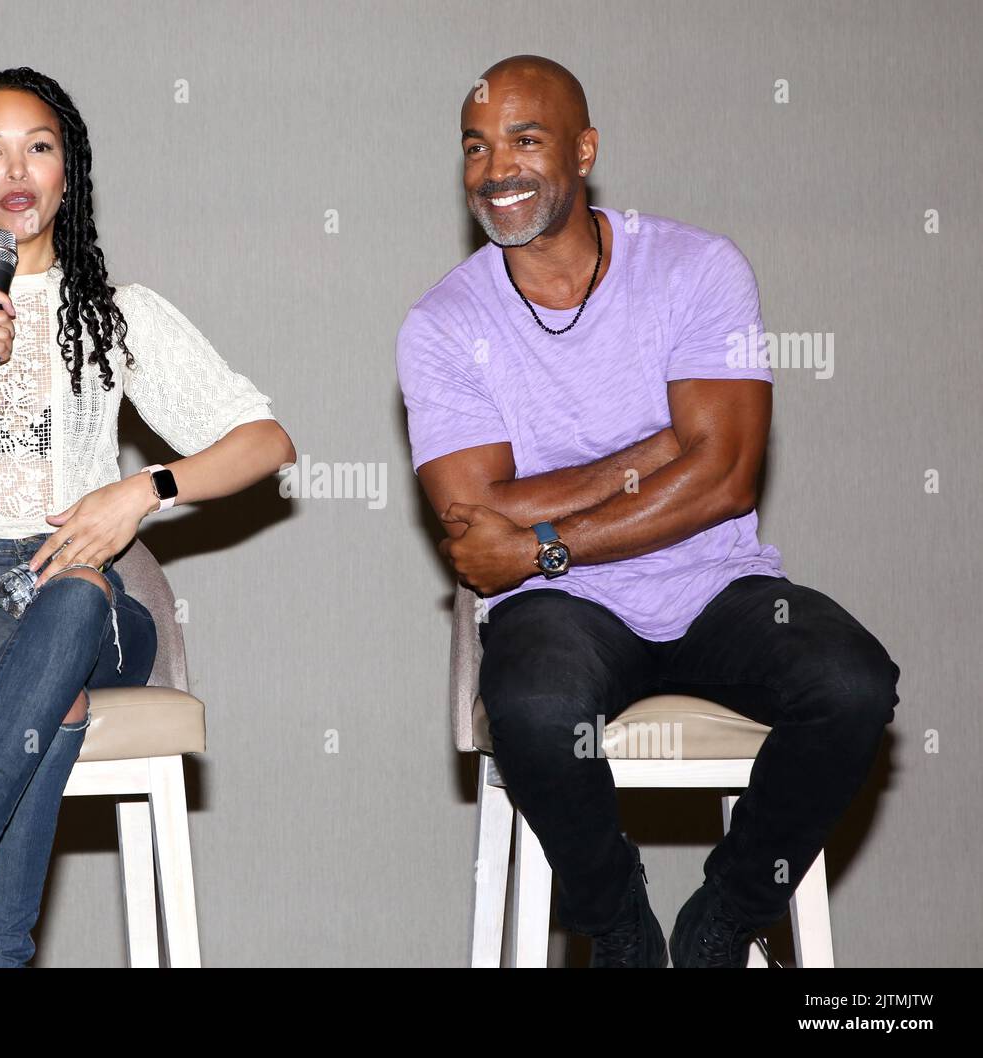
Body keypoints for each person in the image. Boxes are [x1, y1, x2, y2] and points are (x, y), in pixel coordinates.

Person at [395, 55, 900, 967]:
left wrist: (544, 537)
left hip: (713, 579)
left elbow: (726, 482)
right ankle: (621, 932)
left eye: (525, 139)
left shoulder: (697, 269)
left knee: (854, 684)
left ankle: (722, 924)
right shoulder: (439, 326)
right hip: (561, 610)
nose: (495, 168)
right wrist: (664, 449)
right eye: (476, 146)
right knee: (536, 706)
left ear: (584, 149)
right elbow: (473, 518)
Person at [0, 67, 296, 967]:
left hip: (87, 599)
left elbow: (268, 442)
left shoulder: (113, 312)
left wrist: (142, 488)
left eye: (40, 147)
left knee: (74, 600)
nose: (17, 170)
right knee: (55, 695)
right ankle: (0, 952)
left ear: (67, 174)